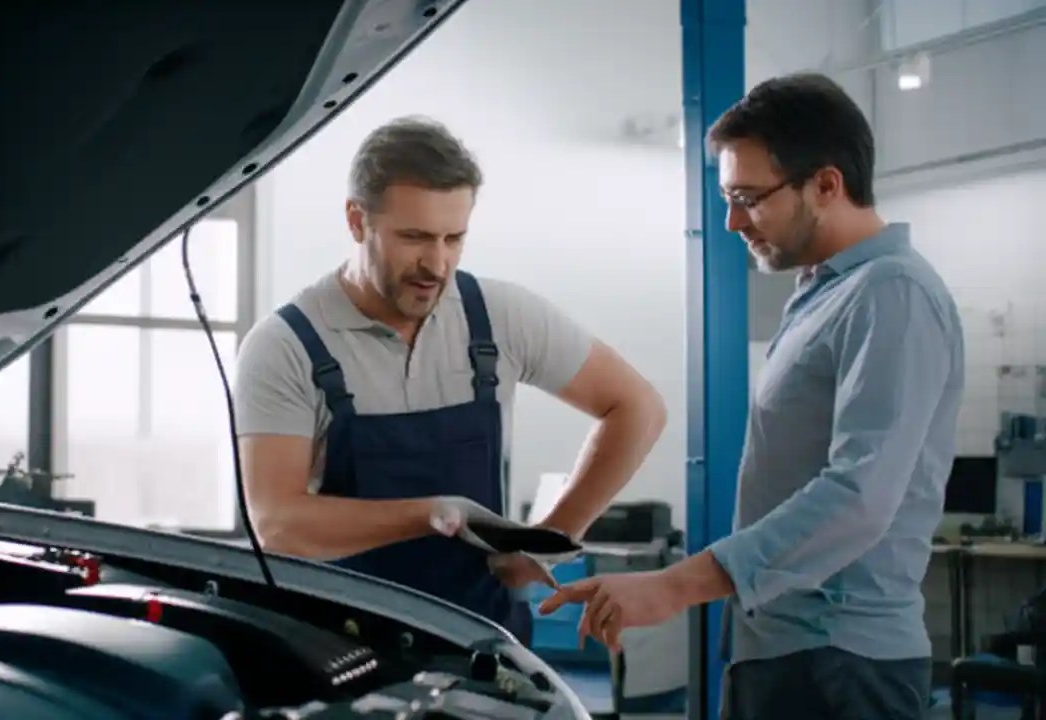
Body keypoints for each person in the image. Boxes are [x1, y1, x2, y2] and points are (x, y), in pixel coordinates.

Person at [540, 73, 965, 719]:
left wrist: (674, 587)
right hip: (785, 648)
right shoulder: (823, 293)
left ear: (826, 184)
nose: (733, 221)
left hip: (841, 662)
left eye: (748, 198)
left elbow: (860, 495)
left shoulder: (891, 294)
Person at [232, 116, 667, 644]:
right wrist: (434, 514)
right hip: (344, 646)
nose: (436, 265)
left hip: (483, 639)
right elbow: (278, 524)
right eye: (413, 238)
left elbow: (638, 408)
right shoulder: (285, 346)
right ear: (356, 220)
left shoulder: (500, 317)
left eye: (453, 238)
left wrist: (554, 534)